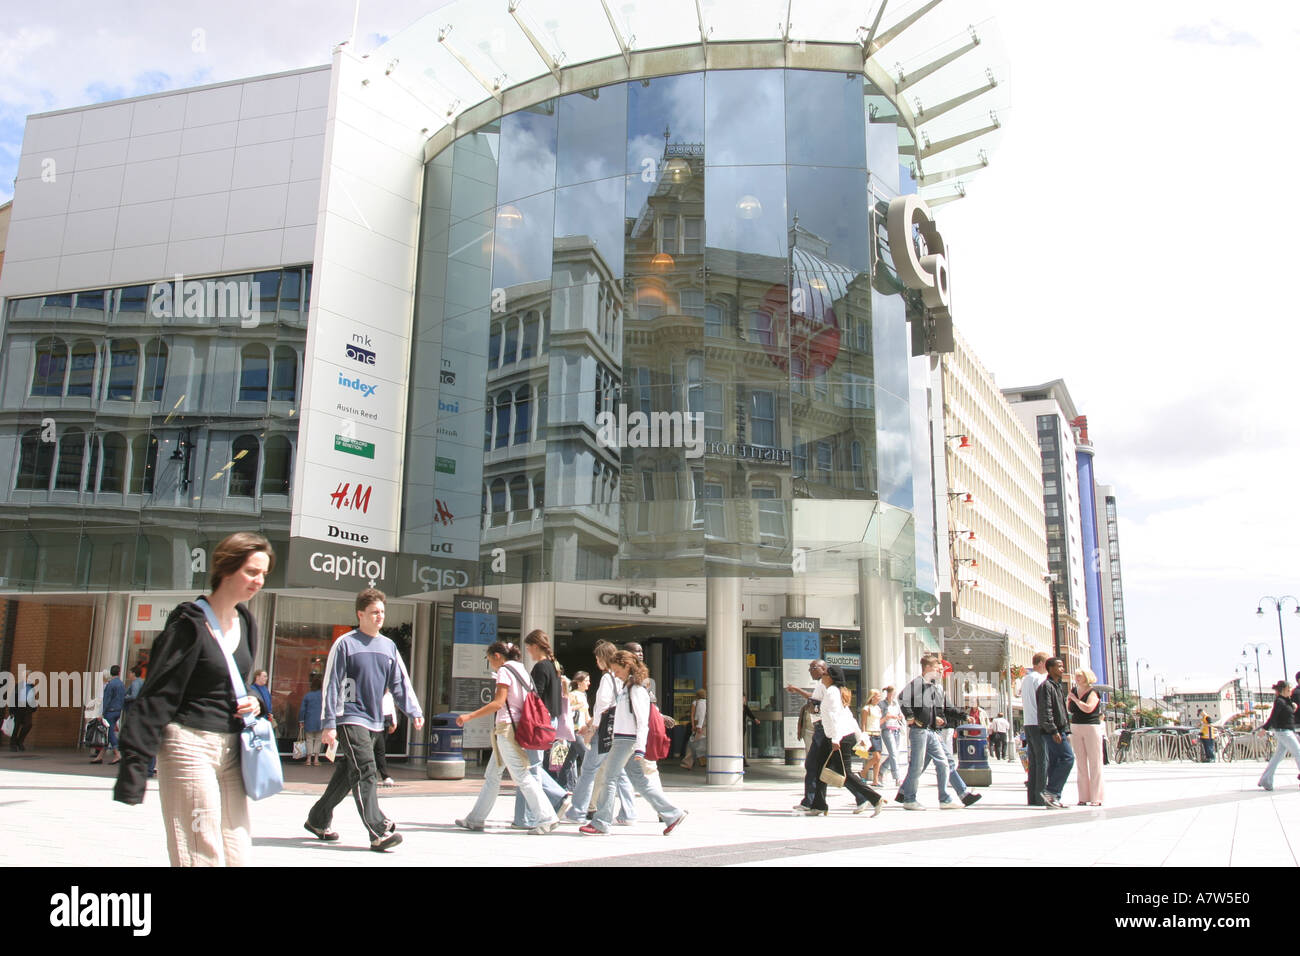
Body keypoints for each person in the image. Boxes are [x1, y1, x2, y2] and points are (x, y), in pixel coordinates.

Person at [113, 531, 274, 867]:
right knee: (201, 851)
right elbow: (157, 694)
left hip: (232, 748)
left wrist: (254, 703)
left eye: (263, 574)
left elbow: (232, 683)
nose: (259, 581)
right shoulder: (188, 624)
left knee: (237, 853)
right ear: (226, 569)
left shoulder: (247, 621)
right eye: (251, 571)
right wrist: (134, 769)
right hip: (188, 744)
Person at [305, 588, 424, 852]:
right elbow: (331, 684)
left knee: (348, 774)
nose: (379, 616)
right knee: (366, 769)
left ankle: (317, 819)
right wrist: (329, 724)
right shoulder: (346, 643)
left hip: (374, 721)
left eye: (382, 612)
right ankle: (377, 830)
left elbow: (399, 682)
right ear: (361, 614)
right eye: (374, 612)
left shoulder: (388, 646)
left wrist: (413, 710)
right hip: (350, 717)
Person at [454, 641, 559, 834]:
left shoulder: (504, 670)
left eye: (489, 659)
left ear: (497, 656)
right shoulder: (521, 668)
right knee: (493, 775)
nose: (490, 664)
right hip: (518, 727)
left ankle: (547, 817)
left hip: (506, 729)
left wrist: (469, 716)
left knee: (521, 774)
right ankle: (475, 819)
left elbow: (498, 703)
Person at [580, 651, 687, 836]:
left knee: (609, 778)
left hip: (625, 740)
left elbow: (642, 721)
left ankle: (601, 822)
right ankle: (673, 814)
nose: (614, 673)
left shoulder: (635, 689)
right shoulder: (629, 688)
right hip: (625, 740)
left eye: (616, 669)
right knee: (640, 781)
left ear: (627, 666)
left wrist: (640, 747)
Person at [566, 640, 637, 824]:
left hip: (604, 730)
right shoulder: (622, 678)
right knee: (617, 772)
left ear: (603, 659)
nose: (596, 662)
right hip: (618, 730)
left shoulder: (607, 678)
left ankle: (578, 811)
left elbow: (603, 705)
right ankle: (629, 812)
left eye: (597, 658)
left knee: (588, 769)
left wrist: (593, 727)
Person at [512, 629, 573, 829]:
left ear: (535, 646)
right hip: (551, 722)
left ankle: (531, 815)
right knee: (531, 767)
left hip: (539, 723)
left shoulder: (541, 667)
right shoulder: (555, 667)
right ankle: (527, 815)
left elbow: (534, 697)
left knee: (529, 770)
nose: (527, 651)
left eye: (529, 647)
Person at [808, 668, 886, 816]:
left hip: (838, 737)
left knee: (844, 772)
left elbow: (835, 716)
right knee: (819, 768)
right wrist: (858, 735)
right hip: (835, 735)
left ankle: (875, 798)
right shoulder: (838, 691)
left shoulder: (832, 692)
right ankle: (819, 805)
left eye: (824, 675)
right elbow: (848, 716)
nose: (822, 677)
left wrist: (836, 739)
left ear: (831, 678)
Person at [898, 654, 961, 810]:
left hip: (930, 730)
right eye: (935, 668)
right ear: (927, 668)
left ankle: (944, 799)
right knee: (917, 766)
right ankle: (909, 799)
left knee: (943, 762)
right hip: (919, 730)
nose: (938, 671)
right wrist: (910, 716)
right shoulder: (918, 683)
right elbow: (902, 698)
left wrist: (938, 720)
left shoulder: (931, 686)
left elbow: (933, 709)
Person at [789, 659, 829, 811]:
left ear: (822, 668)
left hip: (823, 730)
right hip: (822, 729)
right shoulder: (822, 685)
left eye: (813, 668)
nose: (810, 671)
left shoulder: (826, 686)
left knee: (815, 765)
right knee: (817, 767)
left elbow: (817, 702)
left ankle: (866, 796)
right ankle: (815, 803)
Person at [1036, 657, 1074, 809]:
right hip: (1053, 731)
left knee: (1055, 761)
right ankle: (1051, 791)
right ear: (1050, 668)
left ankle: (1052, 798)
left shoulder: (1056, 686)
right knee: (1068, 758)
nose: (1062, 669)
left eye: (1062, 666)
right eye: (1059, 666)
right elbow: (1046, 710)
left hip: (1058, 729)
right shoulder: (1047, 686)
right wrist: (1053, 730)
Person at [1068, 668, 1104, 806]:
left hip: (1091, 727)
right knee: (1081, 763)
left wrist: (1076, 700)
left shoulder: (1092, 692)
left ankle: (1096, 797)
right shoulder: (1073, 691)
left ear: (1086, 677)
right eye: (1076, 675)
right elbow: (1069, 708)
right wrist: (1071, 699)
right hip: (1076, 726)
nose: (1077, 678)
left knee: (1095, 762)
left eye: (1080, 676)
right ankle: (1083, 796)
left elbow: (1088, 708)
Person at [1258, 680, 1300, 791]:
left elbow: (1288, 714)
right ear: (1282, 690)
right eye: (1288, 690)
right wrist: (1264, 728)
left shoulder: (1287, 701)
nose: (1290, 691)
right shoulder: (1280, 701)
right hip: (1284, 732)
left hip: (1286, 731)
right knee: (1298, 753)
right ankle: (1266, 780)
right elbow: (1273, 717)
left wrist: (1293, 706)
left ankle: (1266, 780)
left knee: (1278, 757)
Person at [1021, 652, 1050, 806]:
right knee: (1043, 760)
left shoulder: (1026, 679)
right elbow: (1043, 702)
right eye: (1047, 663)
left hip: (1028, 722)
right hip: (1039, 723)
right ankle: (1041, 796)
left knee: (1033, 761)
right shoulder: (1039, 679)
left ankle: (1032, 796)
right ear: (1040, 663)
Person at [557, 670, 591, 790]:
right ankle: (586, 785)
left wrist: (591, 726)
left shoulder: (583, 695)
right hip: (575, 730)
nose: (589, 683)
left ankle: (562, 784)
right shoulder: (573, 694)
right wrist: (577, 706)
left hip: (581, 730)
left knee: (569, 759)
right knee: (586, 756)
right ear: (579, 682)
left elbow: (587, 715)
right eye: (586, 681)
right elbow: (566, 710)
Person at [92, 665, 126, 764]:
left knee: (109, 733)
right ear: (119, 673)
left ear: (111, 673)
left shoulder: (110, 684)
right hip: (118, 711)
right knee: (107, 732)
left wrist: (101, 713)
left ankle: (117, 753)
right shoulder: (121, 684)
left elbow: (106, 700)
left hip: (110, 711)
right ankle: (100, 756)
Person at [858, 689, 885, 785]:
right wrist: (863, 736)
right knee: (876, 757)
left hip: (877, 733)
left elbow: (878, 722)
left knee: (878, 758)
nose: (879, 698)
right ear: (872, 697)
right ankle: (863, 772)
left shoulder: (878, 708)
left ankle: (875, 780)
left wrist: (886, 718)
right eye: (878, 696)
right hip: (870, 734)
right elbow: (863, 724)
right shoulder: (866, 708)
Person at [878, 685, 903, 786]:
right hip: (887, 730)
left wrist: (899, 716)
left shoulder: (896, 704)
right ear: (888, 693)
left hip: (896, 729)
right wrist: (889, 716)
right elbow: (880, 717)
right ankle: (897, 778)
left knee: (895, 754)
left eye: (894, 694)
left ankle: (881, 771)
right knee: (893, 753)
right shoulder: (882, 704)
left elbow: (900, 715)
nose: (893, 696)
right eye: (891, 694)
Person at [298, 675, 323, 767]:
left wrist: (301, 720)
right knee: (318, 740)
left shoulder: (307, 696)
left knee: (309, 740)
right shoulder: (323, 696)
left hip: (309, 720)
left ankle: (308, 759)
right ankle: (316, 759)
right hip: (320, 721)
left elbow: (302, 709)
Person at [681, 689, 708, 770]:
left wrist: (694, 725)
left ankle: (688, 762)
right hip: (704, 725)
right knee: (700, 742)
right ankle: (701, 760)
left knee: (692, 743)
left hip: (699, 725)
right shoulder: (706, 702)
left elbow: (694, 715)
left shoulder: (696, 703)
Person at [8, 680, 37, 752]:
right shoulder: (18, 686)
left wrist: (34, 708)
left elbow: (33, 698)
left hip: (28, 709)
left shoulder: (32, 688)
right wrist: (11, 711)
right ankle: (13, 744)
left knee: (28, 725)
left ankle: (20, 741)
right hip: (18, 708)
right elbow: (12, 698)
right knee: (16, 727)